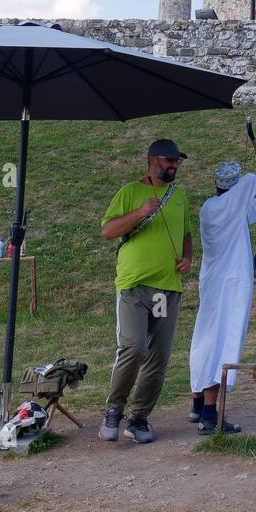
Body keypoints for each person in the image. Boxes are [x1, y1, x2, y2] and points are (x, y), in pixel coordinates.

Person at [98, 139, 193, 444]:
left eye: (177, 161)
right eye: (169, 161)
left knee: (158, 357)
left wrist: (187, 257)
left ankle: (139, 418)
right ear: (152, 161)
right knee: (134, 347)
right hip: (135, 288)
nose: (174, 166)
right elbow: (108, 231)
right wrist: (140, 212)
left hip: (165, 291)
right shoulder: (129, 192)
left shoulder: (179, 197)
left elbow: (187, 233)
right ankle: (114, 409)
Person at [189, 160, 256, 434]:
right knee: (222, 341)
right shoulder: (232, 204)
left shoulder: (209, 208)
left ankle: (197, 403)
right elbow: (250, 181)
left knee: (204, 336)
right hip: (230, 286)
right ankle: (210, 416)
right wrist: (254, 192)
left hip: (211, 283)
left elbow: (251, 211)